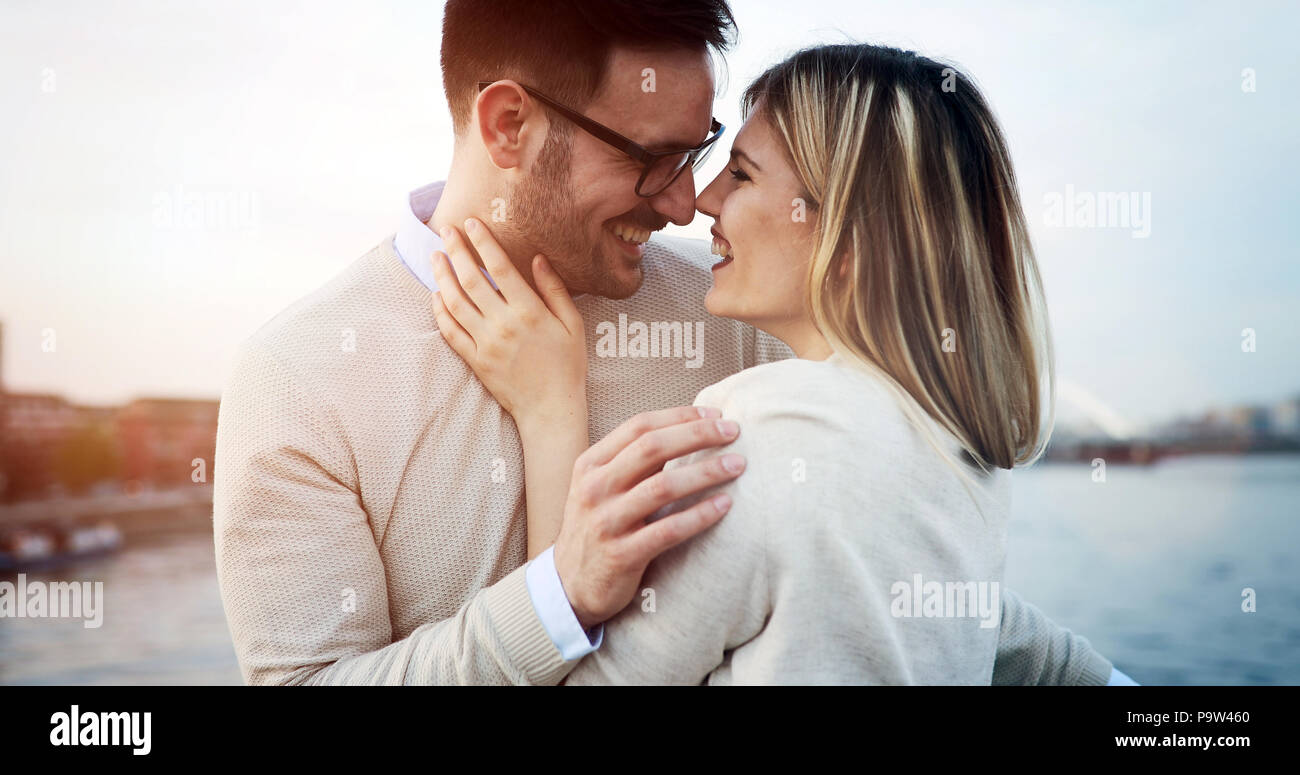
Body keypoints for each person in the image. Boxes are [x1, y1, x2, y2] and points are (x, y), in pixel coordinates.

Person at [214, 0, 1123, 685]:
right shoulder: (297, 379)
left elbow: (871, 560)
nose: (688, 200)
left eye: (705, 150)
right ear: (508, 125)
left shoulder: (732, 309)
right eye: (652, 157)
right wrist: (556, 596)